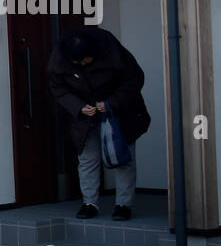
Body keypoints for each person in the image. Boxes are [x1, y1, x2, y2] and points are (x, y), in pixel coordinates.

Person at [47, 26, 150, 221]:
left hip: (120, 111)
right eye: (77, 62)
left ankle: (123, 205)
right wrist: (78, 106)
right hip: (85, 116)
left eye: (85, 60)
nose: (82, 64)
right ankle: (89, 203)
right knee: (87, 159)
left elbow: (135, 78)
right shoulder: (60, 58)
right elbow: (57, 88)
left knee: (123, 158)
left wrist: (111, 102)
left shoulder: (110, 48)